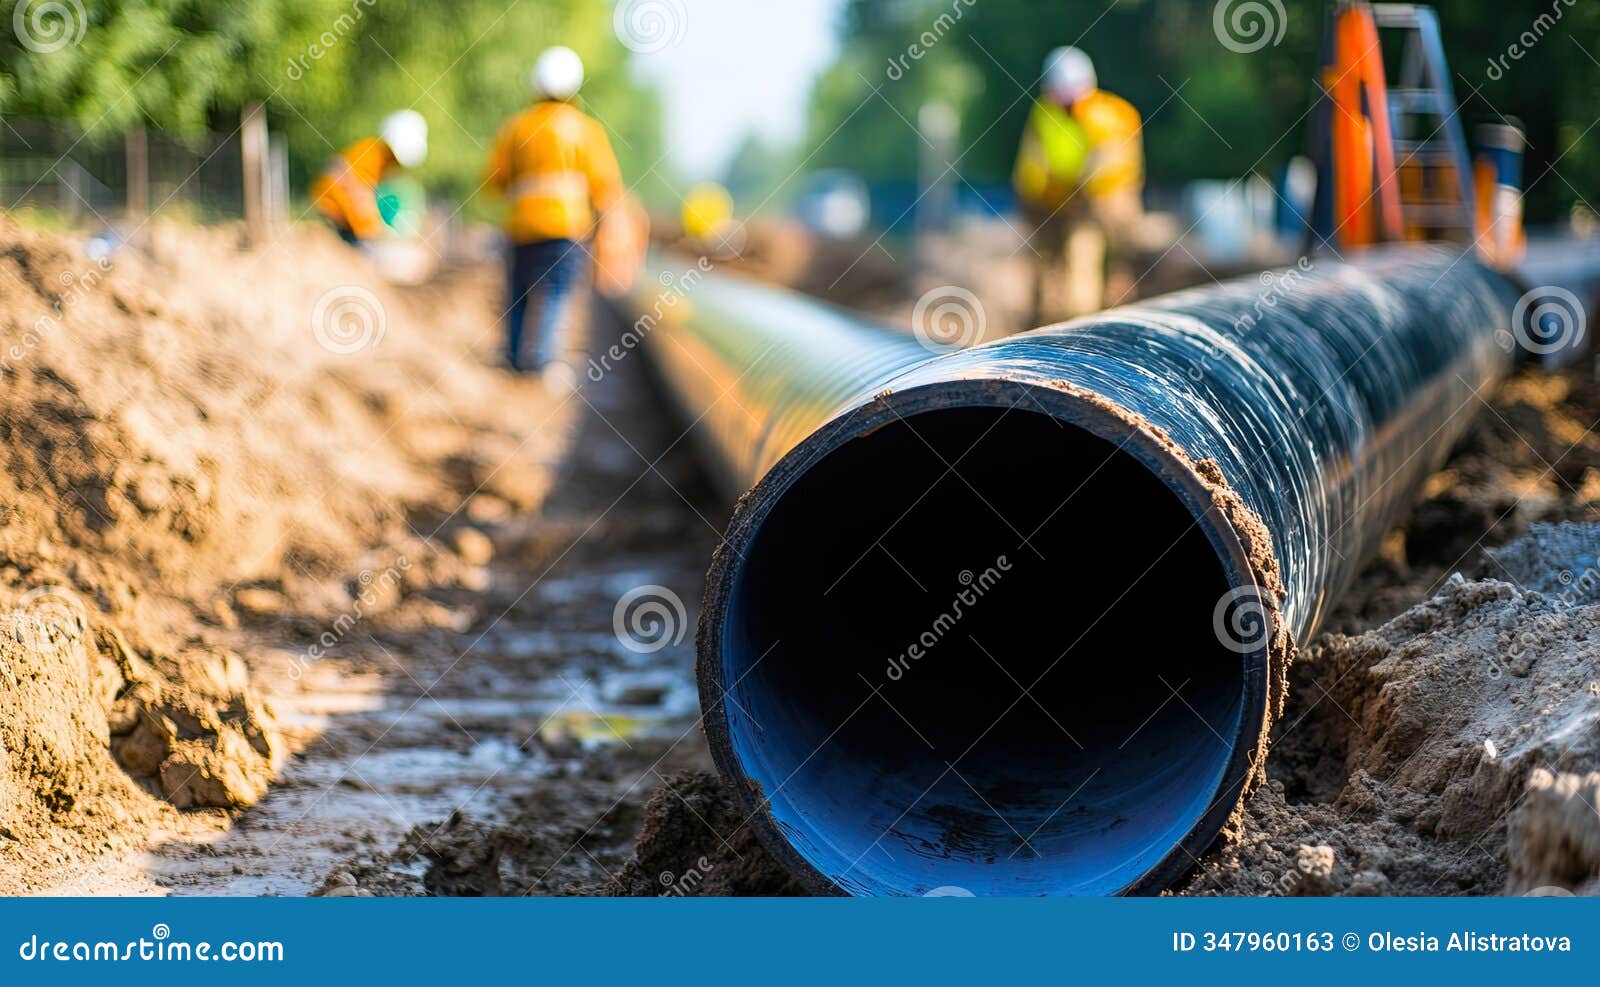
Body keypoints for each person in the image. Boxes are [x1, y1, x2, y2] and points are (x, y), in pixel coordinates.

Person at [485, 45, 624, 379]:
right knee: (556, 294)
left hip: (522, 227)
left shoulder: (516, 127)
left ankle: (516, 358)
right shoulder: (586, 131)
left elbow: (495, 181)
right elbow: (605, 185)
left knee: (519, 292)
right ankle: (544, 360)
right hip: (566, 230)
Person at [1012, 46, 1143, 324]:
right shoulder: (1044, 113)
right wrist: (1034, 195)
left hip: (1099, 204)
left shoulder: (1108, 115)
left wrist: (1081, 187)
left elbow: (1113, 164)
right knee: (1049, 269)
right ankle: (1047, 328)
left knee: (1087, 263)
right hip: (1056, 202)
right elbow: (1031, 163)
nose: (1065, 104)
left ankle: (1087, 330)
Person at [312, 110, 428, 245]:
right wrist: (372, 228)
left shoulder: (380, 160)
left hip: (341, 215)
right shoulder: (372, 154)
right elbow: (358, 195)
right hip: (333, 211)